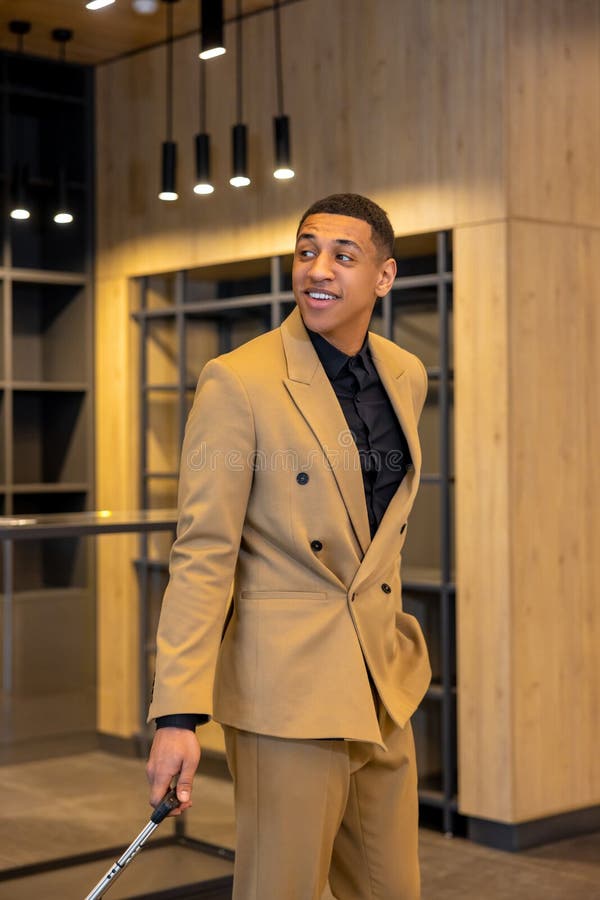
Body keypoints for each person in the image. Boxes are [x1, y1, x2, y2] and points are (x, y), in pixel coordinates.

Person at [146, 193, 431, 900]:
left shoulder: (405, 375)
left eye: (342, 254)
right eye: (306, 251)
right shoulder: (237, 381)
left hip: (380, 686)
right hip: (288, 697)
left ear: (384, 277)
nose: (317, 268)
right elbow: (203, 553)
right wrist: (177, 714)